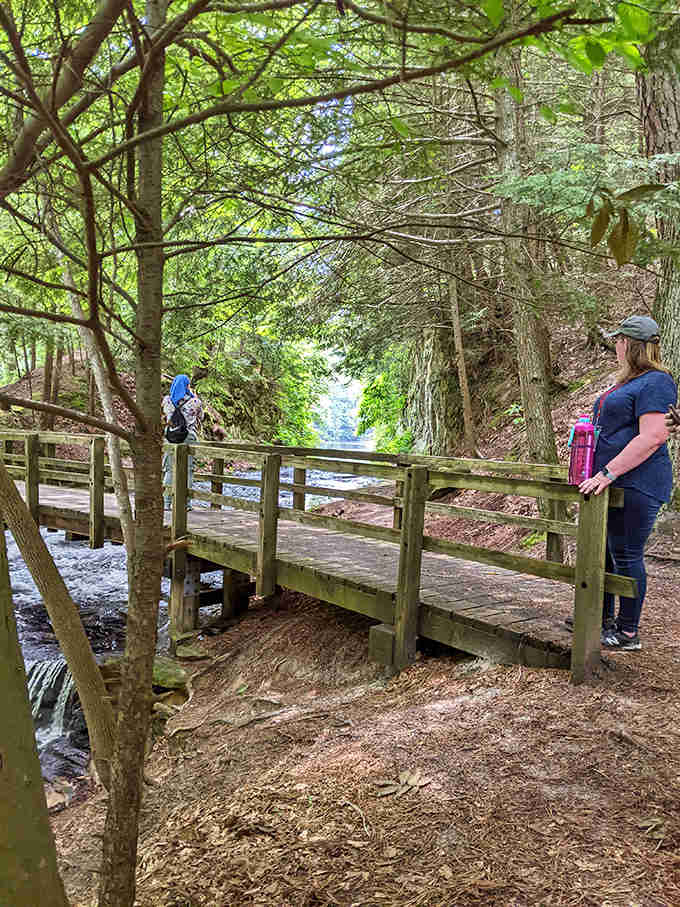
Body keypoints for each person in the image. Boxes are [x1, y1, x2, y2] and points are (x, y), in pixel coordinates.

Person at [578, 315, 677, 651]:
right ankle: (600, 617)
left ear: (630, 344)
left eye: (618, 340)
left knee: (626, 553)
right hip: (614, 481)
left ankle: (628, 630)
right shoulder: (629, 382)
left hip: (639, 482)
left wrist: (607, 473)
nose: (615, 345)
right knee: (605, 551)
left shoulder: (657, 382)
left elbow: (651, 437)